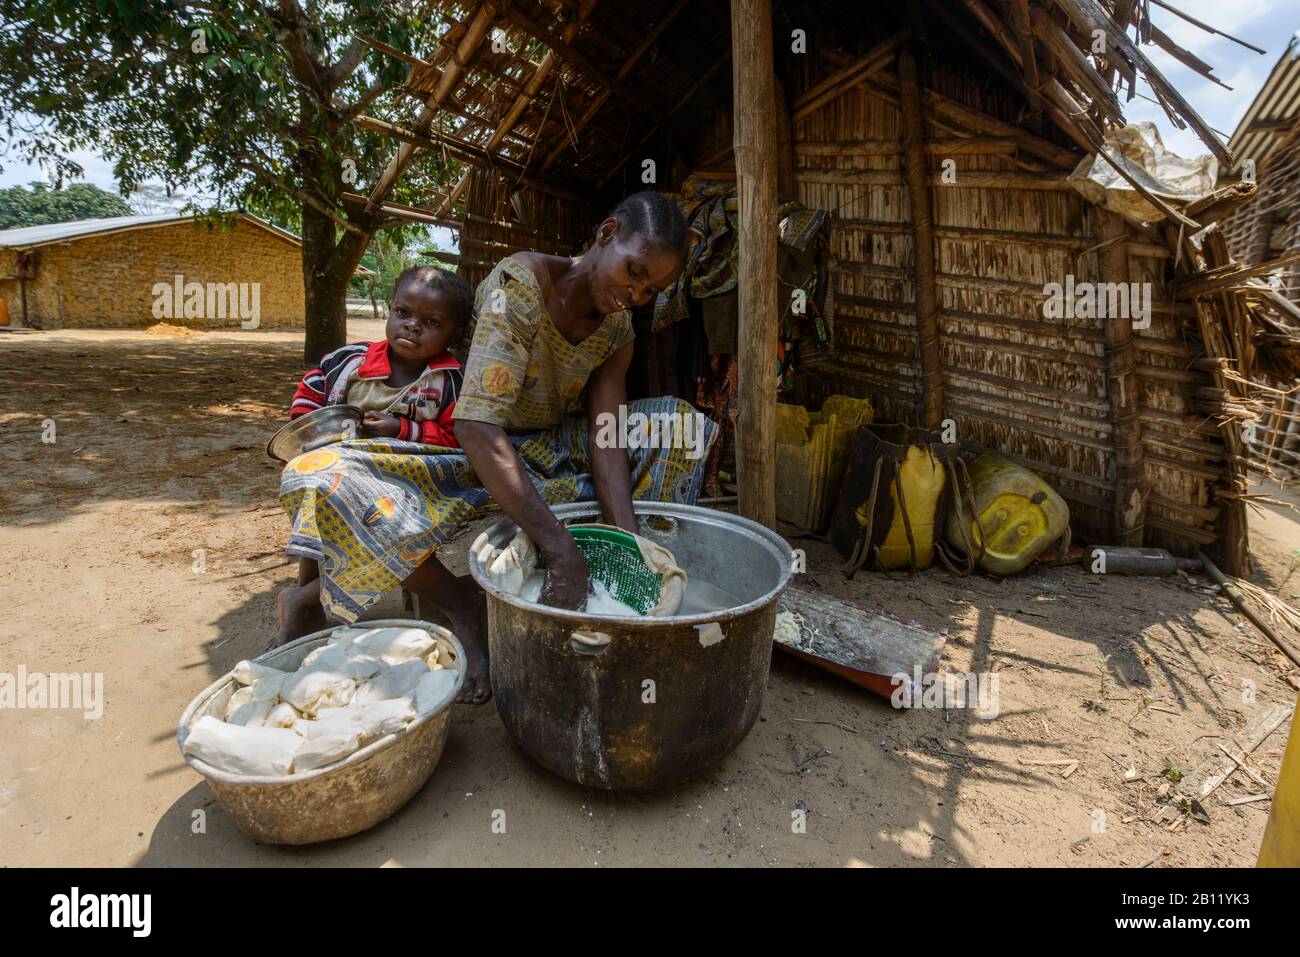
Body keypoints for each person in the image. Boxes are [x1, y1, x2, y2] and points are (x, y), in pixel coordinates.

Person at [277, 191, 716, 705]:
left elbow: (606, 433)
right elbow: (478, 428)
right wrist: (560, 551)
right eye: (634, 271)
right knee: (324, 473)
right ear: (607, 234)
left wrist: (628, 545)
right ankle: (462, 601)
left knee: (677, 426)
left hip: (547, 450)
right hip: (465, 448)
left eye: (652, 288)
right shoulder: (519, 286)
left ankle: (624, 577)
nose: (637, 294)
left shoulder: (617, 330)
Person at [277, 265, 470, 643]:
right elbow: (310, 390)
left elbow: (455, 437)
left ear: (455, 334)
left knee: (381, 516)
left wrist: (402, 429)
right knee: (319, 496)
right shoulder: (349, 362)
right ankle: (309, 598)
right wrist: (309, 427)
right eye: (403, 314)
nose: (412, 326)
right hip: (337, 468)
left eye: (430, 321)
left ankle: (305, 599)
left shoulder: (450, 381)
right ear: (390, 311)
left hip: (410, 480)